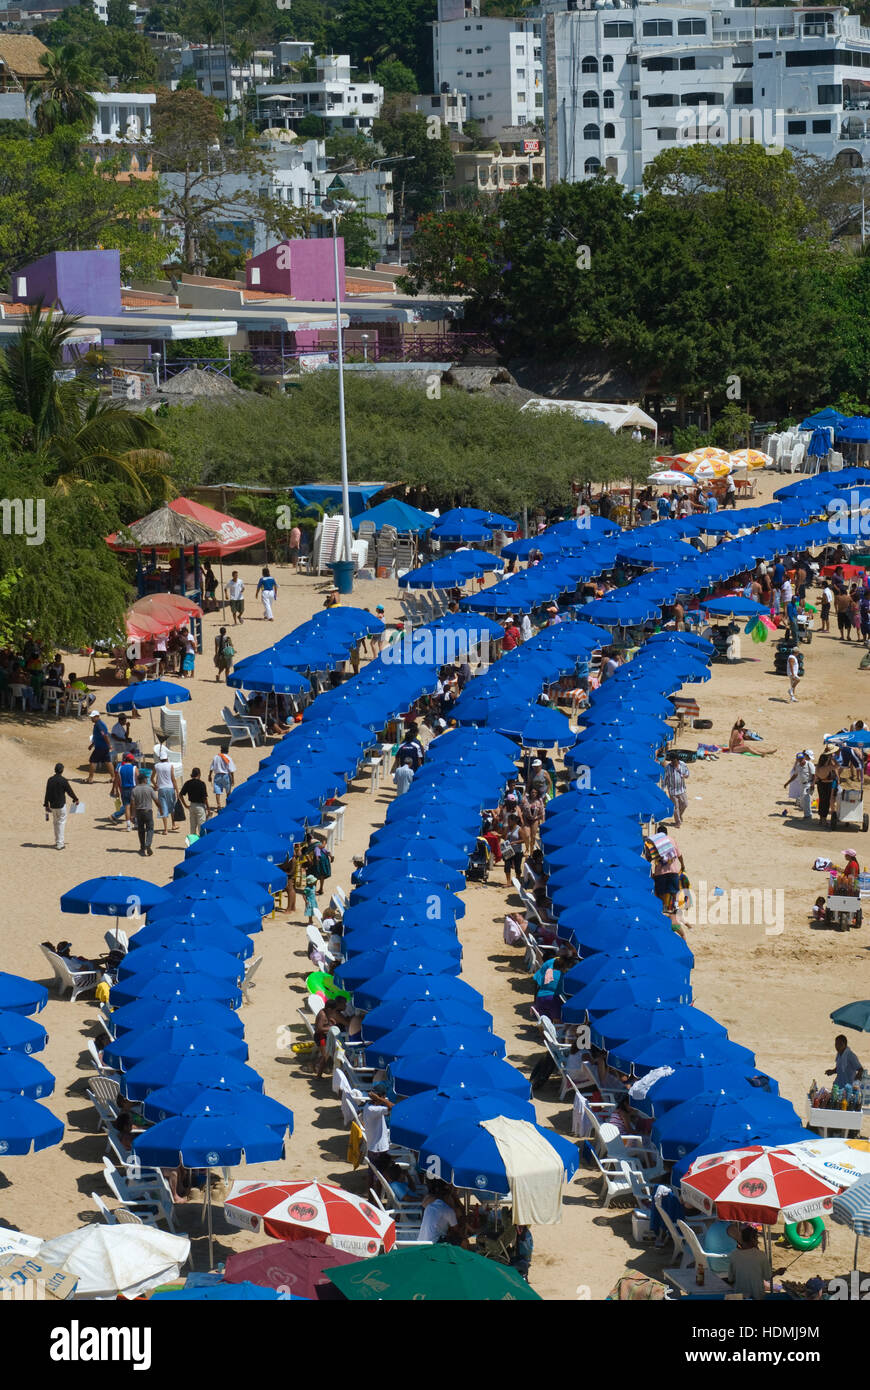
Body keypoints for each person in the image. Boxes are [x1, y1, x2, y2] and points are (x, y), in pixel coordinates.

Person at [726, 1226, 771, 1300]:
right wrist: (778, 1272)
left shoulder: (734, 1255)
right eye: (756, 1238)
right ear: (752, 1239)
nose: (757, 1241)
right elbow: (767, 1276)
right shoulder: (761, 1255)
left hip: (739, 1296)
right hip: (758, 1296)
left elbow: (731, 1279)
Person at [43, 761, 79, 850]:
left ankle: (57, 841)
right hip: (61, 806)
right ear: (62, 770)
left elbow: (47, 792)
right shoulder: (63, 780)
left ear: (55, 770)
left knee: (55, 823)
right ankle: (60, 843)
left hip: (52, 806)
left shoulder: (50, 780)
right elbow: (69, 792)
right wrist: (75, 799)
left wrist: (46, 804)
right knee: (61, 823)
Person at [361, 1082, 394, 1173]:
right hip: (379, 1149)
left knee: (372, 1173)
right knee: (381, 1174)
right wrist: (380, 1099)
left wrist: (379, 1099)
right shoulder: (375, 1110)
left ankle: (370, 1187)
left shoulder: (368, 1106)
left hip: (372, 1148)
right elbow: (393, 1107)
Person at [130, 772, 158, 856]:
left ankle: (142, 847)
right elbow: (156, 800)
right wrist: (160, 808)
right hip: (148, 811)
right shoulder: (149, 789)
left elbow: (132, 804)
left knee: (141, 830)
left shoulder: (134, 790)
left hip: (139, 812)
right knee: (150, 829)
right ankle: (148, 844)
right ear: (144, 780)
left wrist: (132, 815)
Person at [153, 749, 180, 835]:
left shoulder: (156, 766)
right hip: (170, 788)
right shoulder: (170, 765)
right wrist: (177, 790)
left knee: (163, 808)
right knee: (172, 807)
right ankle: (173, 824)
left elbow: (151, 778)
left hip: (161, 789)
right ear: (167, 758)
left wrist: (155, 785)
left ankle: (165, 829)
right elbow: (173, 779)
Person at [178, 767, 210, 837]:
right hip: (200, 806)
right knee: (201, 827)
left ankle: (193, 843)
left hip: (192, 806)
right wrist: (208, 808)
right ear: (199, 774)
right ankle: (201, 844)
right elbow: (205, 798)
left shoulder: (188, 783)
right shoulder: (202, 784)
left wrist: (185, 805)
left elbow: (180, 795)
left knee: (192, 827)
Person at [111, 752, 139, 830]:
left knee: (127, 807)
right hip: (133, 789)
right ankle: (136, 823)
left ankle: (128, 826)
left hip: (124, 789)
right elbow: (137, 779)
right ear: (131, 760)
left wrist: (116, 790)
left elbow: (117, 781)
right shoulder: (134, 768)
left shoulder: (120, 768)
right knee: (135, 807)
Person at [784, 750, 814, 819]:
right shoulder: (798, 765)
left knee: (806, 799)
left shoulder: (809, 764)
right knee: (803, 800)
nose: (800, 761)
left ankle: (808, 815)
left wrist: (812, 784)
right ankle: (807, 815)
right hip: (801, 785)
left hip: (808, 784)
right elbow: (795, 775)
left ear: (804, 758)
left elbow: (814, 774)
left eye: (801, 759)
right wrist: (787, 783)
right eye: (799, 759)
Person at [663, 752, 689, 827]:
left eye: (674, 761)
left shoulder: (683, 764)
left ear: (677, 760)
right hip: (672, 791)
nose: (673, 762)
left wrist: (685, 775)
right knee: (675, 807)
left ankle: (679, 816)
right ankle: (678, 822)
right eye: (671, 761)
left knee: (685, 804)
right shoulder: (668, 768)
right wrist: (663, 788)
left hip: (681, 789)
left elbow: (687, 773)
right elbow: (665, 779)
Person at [813, 751, 838, 824]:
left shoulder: (818, 766)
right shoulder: (827, 767)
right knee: (826, 802)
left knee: (821, 801)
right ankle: (823, 820)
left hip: (820, 784)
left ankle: (821, 819)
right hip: (827, 785)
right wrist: (833, 759)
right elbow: (837, 766)